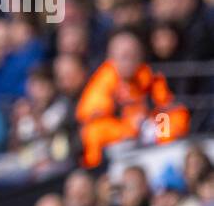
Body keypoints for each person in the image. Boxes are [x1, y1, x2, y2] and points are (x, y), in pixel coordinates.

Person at [76, 30, 190, 167]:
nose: (128, 61)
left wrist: (156, 131)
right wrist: (126, 123)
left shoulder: (149, 76)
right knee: (92, 131)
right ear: (111, 58)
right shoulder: (105, 79)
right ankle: (95, 170)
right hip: (120, 134)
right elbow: (89, 112)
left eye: (133, 56)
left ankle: (166, 162)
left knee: (175, 118)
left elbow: (167, 107)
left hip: (149, 133)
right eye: (123, 57)